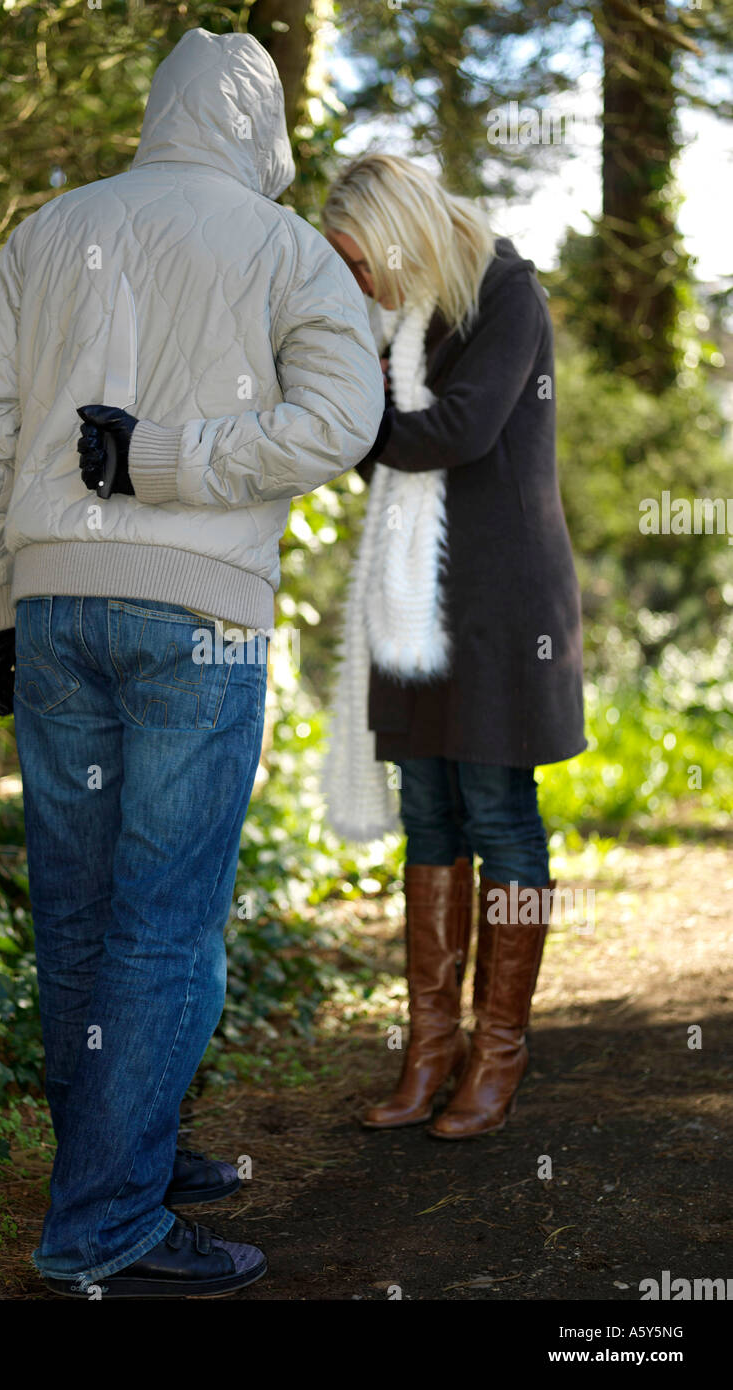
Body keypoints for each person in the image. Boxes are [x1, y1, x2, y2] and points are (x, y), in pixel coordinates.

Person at [0, 29, 384, 1297]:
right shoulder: (286, 248)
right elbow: (341, 422)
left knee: (83, 913)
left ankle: (123, 1156)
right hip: (194, 615)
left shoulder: (47, 229)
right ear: (263, 125)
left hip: (56, 606)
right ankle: (104, 1230)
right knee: (164, 924)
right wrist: (171, 460)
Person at [321, 153, 585, 1139]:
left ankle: (497, 1053)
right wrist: (355, 418)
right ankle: (427, 1048)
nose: (352, 280)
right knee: (426, 816)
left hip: (500, 604)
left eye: (355, 259)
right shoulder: (391, 321)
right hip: (411, 603)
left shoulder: (503, 290)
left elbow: (458, 432)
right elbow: (388, 453)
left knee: (497, 815)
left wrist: (342, 421)